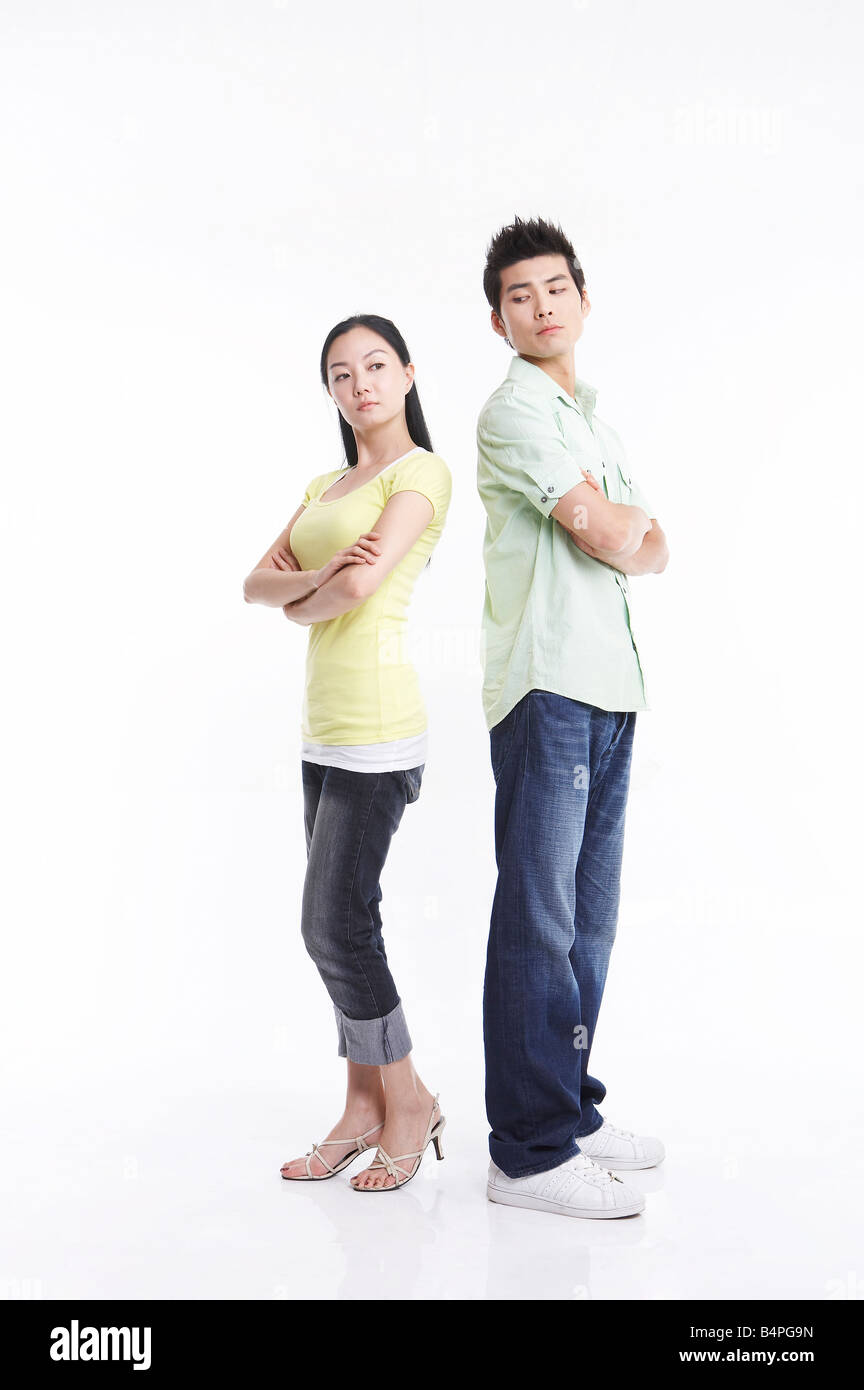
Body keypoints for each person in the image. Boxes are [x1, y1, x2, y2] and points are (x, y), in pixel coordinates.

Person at [476, 216, 670, 1220]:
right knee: (539, 918)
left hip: (611, 684)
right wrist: (615, 526)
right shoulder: (513, 415)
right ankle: (530, 1152)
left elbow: (655, 542)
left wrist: (620, 527)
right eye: (519, 295)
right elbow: (603, 530)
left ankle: (571, 1114)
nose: (541, 306)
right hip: (548, 683)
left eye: (555, 288)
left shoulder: (592, 419)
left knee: (588, 925)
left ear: (583, 300)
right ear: (499, 318)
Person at [243, 314, 451, 1192]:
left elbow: (363, 586)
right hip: (321, 730)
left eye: (375, 366)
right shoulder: (327, 485)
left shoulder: (421, 474)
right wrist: (315, 584)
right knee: (339, 926)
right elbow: (257, 583)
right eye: (341, 374)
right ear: (329, 391)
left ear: (406, 374)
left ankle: (409, 1101)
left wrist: (315, 587)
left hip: (377, 726)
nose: (360, 384)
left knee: (333, 924)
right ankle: (361, 1105)